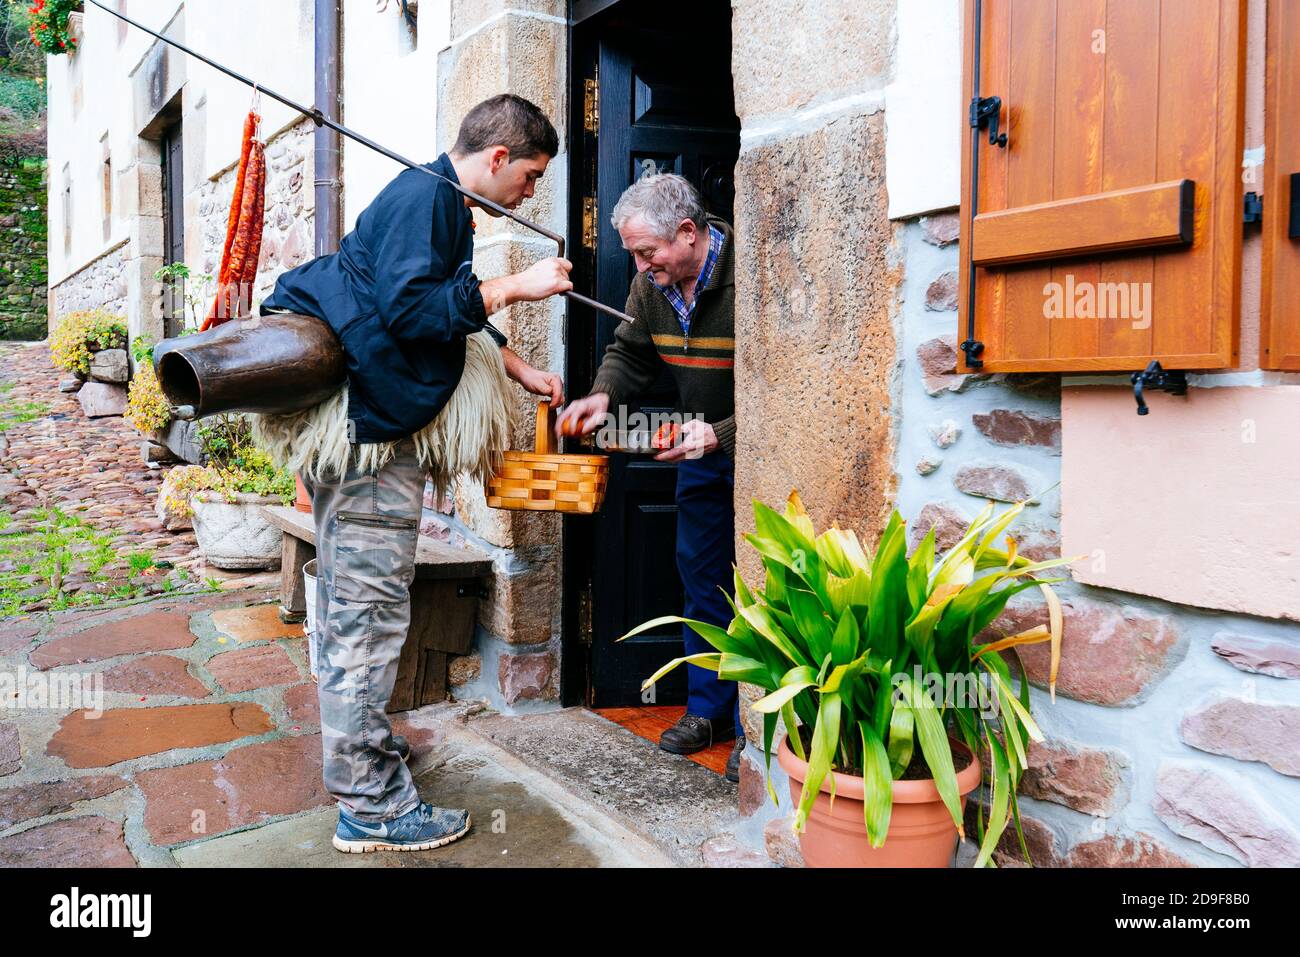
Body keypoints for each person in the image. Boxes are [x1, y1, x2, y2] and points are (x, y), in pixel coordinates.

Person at [258, 94, 571, 852]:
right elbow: (409, 313)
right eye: (529, 175)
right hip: (371, 439)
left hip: (373, 435)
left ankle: (364, 756)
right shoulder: (427, 198)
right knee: (367, 618)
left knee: (353, 611)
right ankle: (370, 806)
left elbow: (434, 302)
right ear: (497, 159)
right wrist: (511, 285)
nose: (530, 192)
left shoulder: (436, 203)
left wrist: (517, 364)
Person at [556, 173, 744, 783]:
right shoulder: (651, 287)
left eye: (647, 252)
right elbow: (631, 351)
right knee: (703, 583)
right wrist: (604, 396)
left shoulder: (754, 272)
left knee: (770, 587)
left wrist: (723, 431)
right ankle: (710, 712)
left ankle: (761, 730)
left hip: (761, 451)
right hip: (701, 456)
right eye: (634, 254)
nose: (639, 267)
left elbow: (790, 379)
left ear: (689, 233)